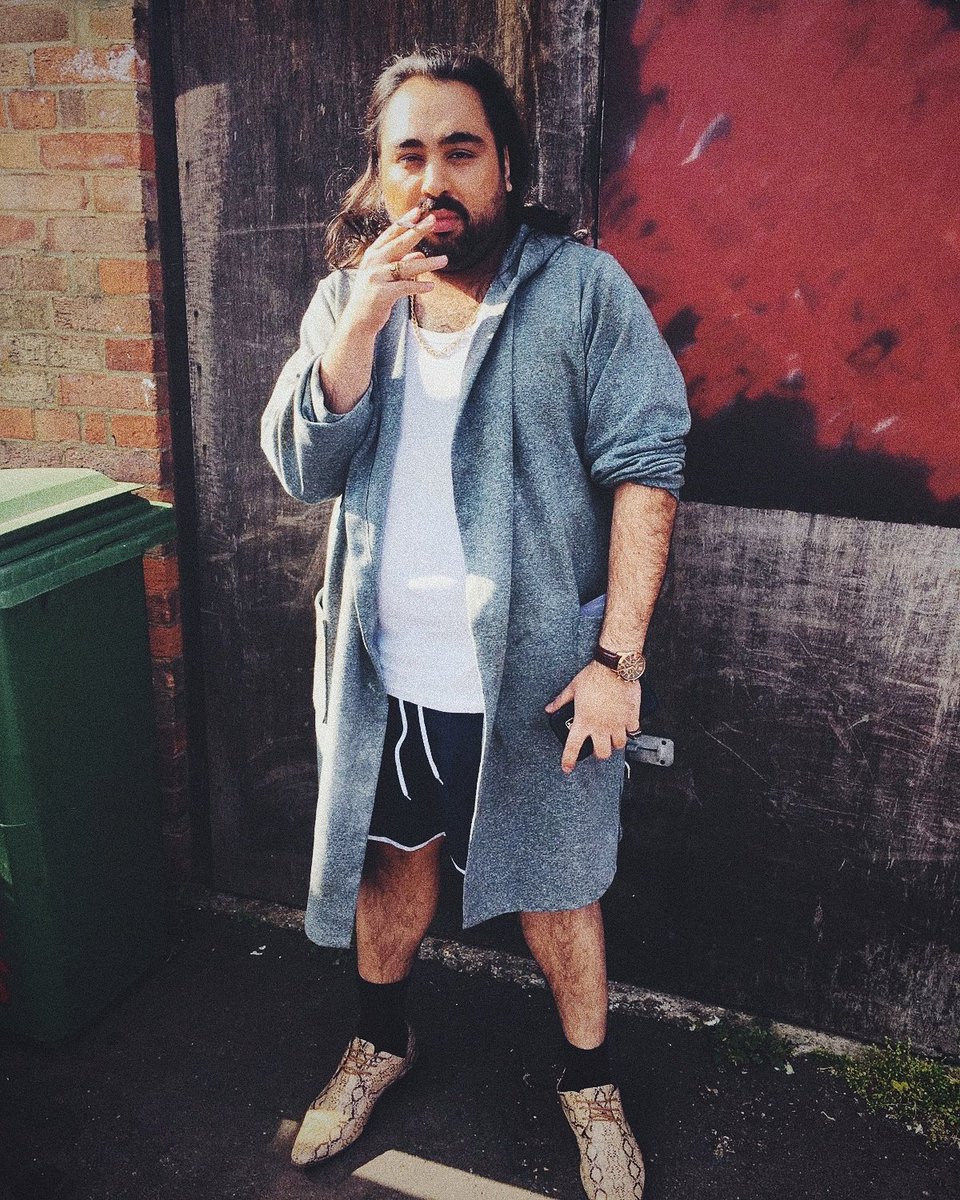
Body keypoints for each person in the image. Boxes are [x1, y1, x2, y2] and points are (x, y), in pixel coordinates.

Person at [261, 47, 689, 1200]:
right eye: (410, 154)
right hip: (389, 678)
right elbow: (303, 466)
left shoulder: (581, 292)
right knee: (390, 869)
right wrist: (359, 322)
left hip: (542, 681)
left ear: (505, 165)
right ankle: (379, 1042)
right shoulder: (349, 299)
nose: (434, 177)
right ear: (378, 172)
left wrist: (618, 660)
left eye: (462, 150)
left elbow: (647, 467)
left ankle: (590, 1088)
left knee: (559, 892)